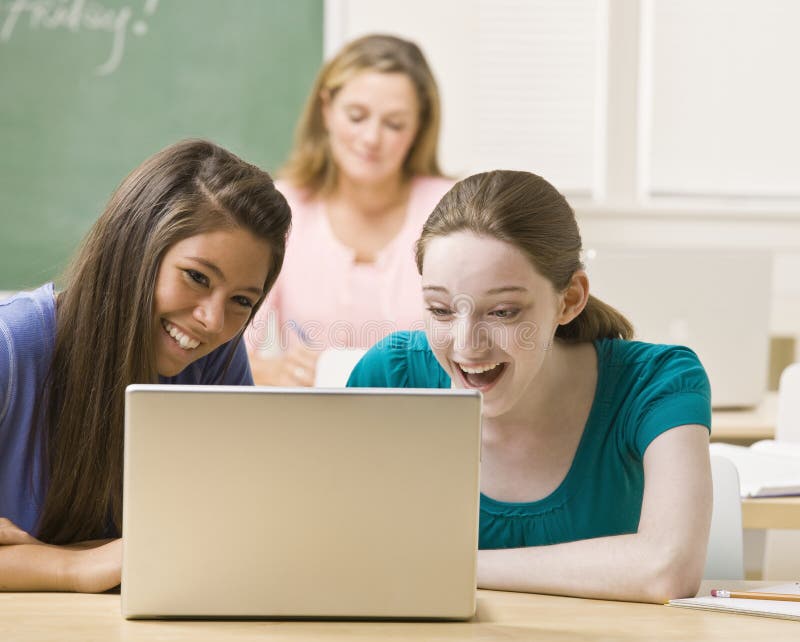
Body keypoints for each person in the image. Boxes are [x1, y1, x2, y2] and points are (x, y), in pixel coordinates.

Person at [347, 170, 713, 603]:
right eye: (440, 310)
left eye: (502, 312)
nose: (466, 345)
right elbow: (331, 550)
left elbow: (668, 569)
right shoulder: (391, 377)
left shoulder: (656, 381)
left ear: (570, 299)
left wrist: (451, 565)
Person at [0, 139, 291, 592]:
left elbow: (226, 537)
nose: (213, 321)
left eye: (241, 301)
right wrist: (75, 568)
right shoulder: (11, 347)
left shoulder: (216, 360)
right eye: (197, 277)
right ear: (133, 248)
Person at [245, 34, 454, 386]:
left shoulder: (453, 209)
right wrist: (274, 371)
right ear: (326, 110)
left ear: (419, 127)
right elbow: (227, 351)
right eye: (356, 116)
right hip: (312, 416)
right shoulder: (281, 207)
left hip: (426, 414)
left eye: (394, 124)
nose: (371, 139)